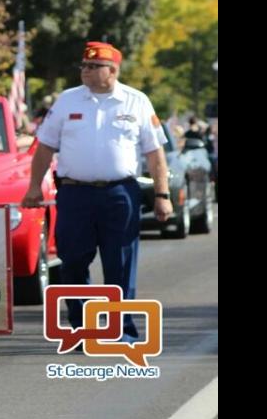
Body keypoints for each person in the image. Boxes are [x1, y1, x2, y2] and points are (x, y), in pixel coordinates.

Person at [21, 41, 171, 342]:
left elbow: (155, 153)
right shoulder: (67, 100)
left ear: (112, 71)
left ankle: (121, 331)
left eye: (94, 66)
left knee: (121, 264)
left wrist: (162, 195)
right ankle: (82, 328)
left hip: (120, 194)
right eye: (84, 66)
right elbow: (45, 147)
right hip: (75, 194)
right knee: (72, 261)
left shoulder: (136, 101)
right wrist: (34, 186)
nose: (85, 71)